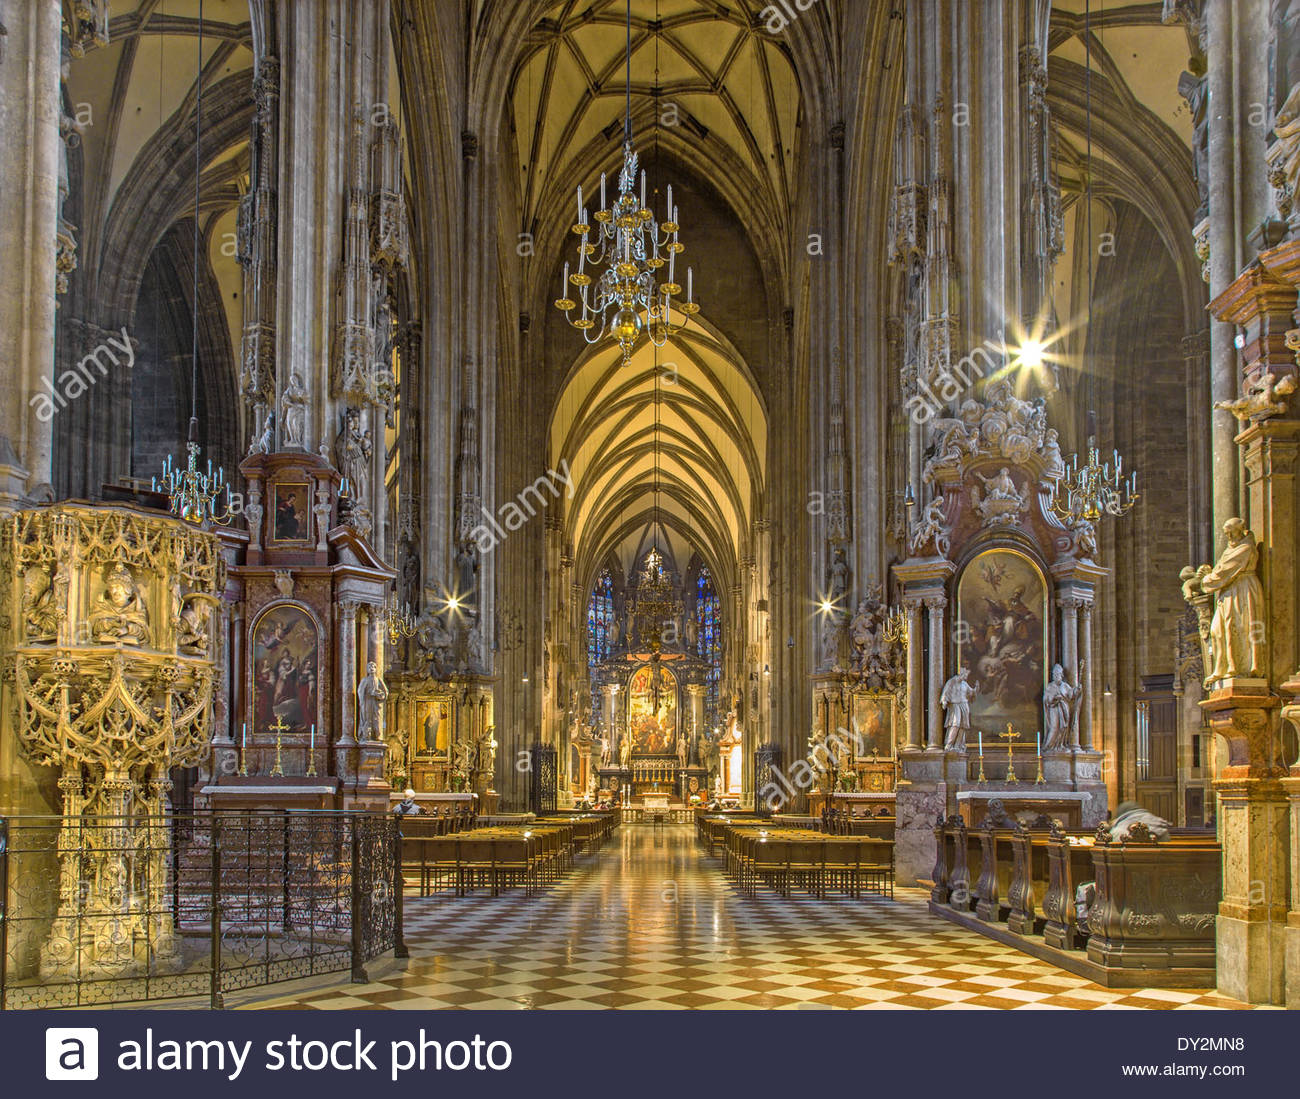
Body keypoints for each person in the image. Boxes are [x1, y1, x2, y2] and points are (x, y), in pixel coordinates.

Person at [940, 667, 976, 750]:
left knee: (963, 726)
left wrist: (975, 689)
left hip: (964, 704)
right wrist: (944, 701)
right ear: (961, 674)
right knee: (955, 724)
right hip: (955, 704)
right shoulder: (952, 682)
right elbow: (946, 692)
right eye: (965, 675)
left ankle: (957, 745)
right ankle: (949, 745)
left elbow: (970, 692)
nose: (966, 677)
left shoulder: (964, 684)